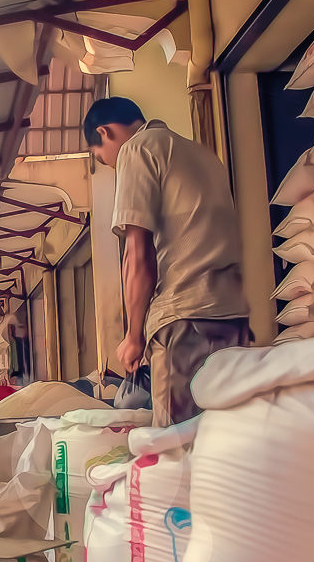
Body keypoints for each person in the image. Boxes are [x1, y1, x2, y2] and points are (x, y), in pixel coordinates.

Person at [85, 97, 250, 428]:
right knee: (226, 434)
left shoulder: (137, 149)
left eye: (101, 158)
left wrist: (133, 336)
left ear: (104, 132)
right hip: (233, 317)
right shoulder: (203, 155)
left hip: (184, 318)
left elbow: (137, 252)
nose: (110, 165)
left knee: (176, 446)